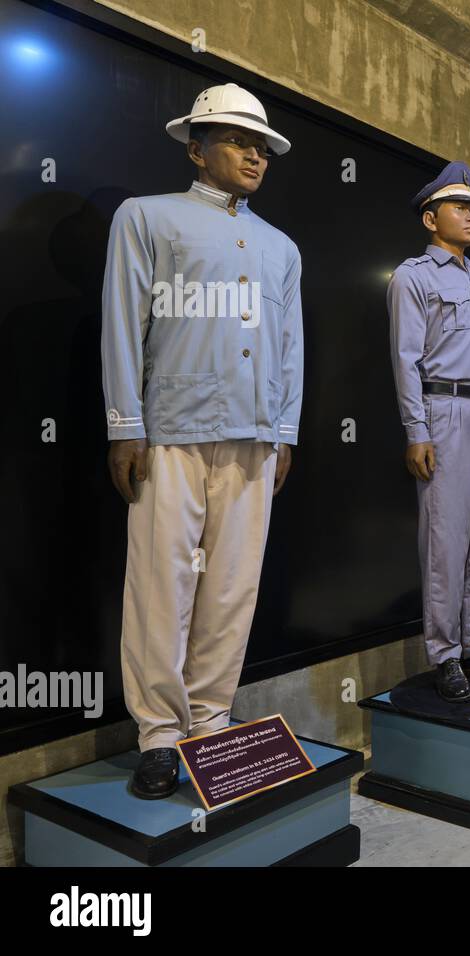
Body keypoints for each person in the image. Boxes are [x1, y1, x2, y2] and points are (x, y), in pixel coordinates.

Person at [101, 83, 302, 799]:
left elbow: (289, 346)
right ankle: (158, 733)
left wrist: (285, 431)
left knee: (231, 586)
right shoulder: (147, 218)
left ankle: (210, 723)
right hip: (172, 430)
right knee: (162, 582)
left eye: (262, 146)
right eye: (238, 141)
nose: (255, 154)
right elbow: (123, 323)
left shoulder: (281, 248)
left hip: (252, 434)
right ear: (197, 147)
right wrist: (124, 422)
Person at [388, 161, 470, 703]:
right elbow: (406, 360)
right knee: (444, 540)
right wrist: (416, 430)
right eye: (459, 208)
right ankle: (443, 653)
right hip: (443, 414)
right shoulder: (412, 277)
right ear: (430, 217)